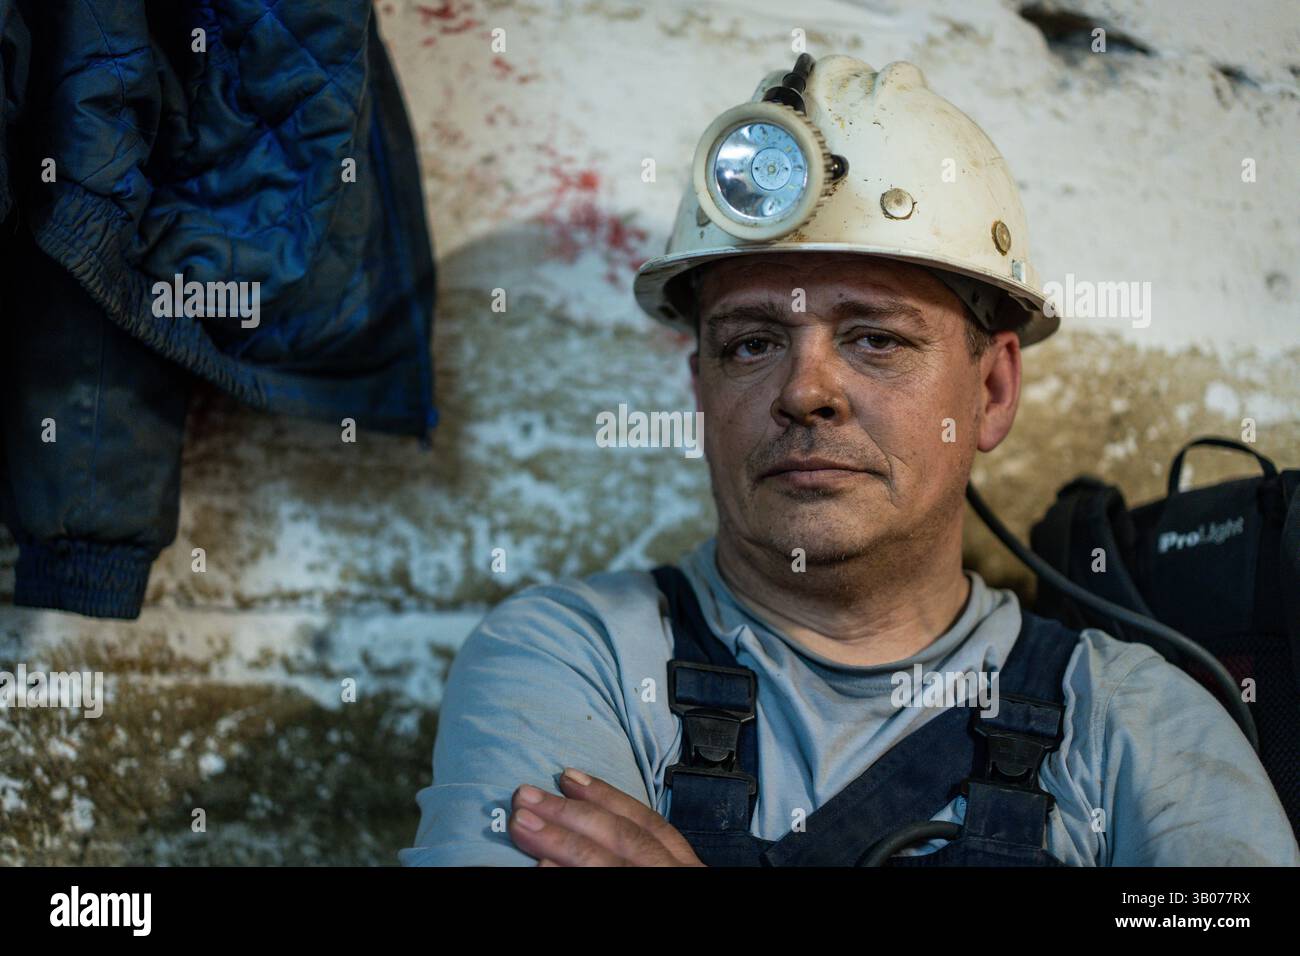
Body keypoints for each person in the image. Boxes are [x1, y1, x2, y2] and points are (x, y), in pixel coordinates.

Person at [400, 54, 1298, 867]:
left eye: (874, 338)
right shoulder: (572, 660)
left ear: (990, 392)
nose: (805, 392)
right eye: (752, 344)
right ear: (702, 391)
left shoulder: (1133, 721)